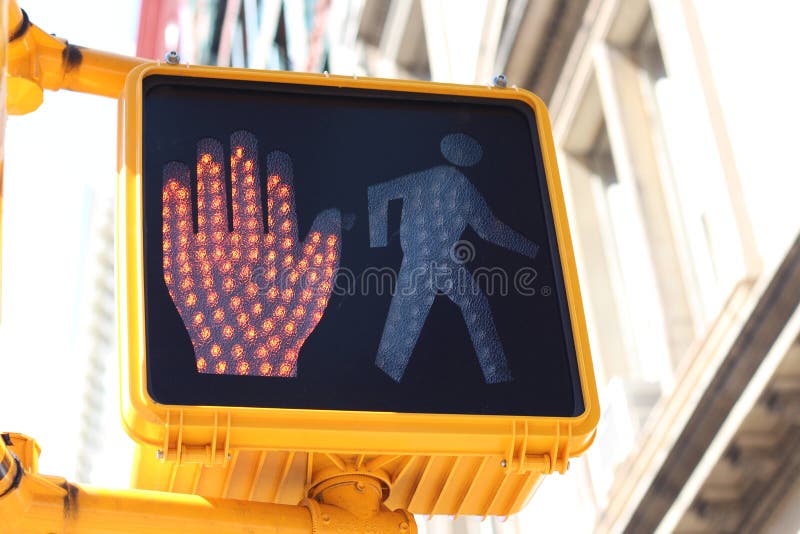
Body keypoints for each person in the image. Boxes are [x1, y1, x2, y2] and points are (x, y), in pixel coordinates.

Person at [368, 133, 538, 384]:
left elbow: (489, 228)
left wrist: (379, 244)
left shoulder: (445, 183)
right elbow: (489, 229)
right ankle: (497, 375)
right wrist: (378, 243)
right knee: (410, 318)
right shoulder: (447, 183)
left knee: (469, 304)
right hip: (423, 259)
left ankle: (498, 376)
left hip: (437, 259)